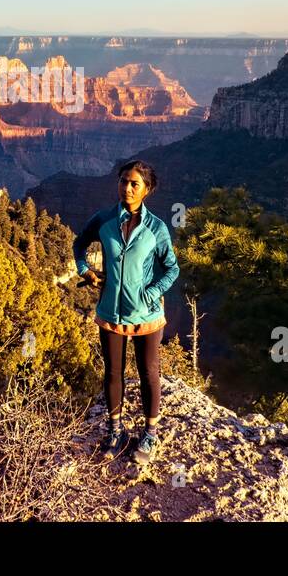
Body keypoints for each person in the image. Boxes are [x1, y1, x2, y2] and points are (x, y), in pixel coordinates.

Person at [71, 160, 179, 464]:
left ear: (146, 190)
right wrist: (85, 270)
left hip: (146, 315)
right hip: (110, 312)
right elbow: (79, 244)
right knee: (113, 373)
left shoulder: (156, 228)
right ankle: (115, 430)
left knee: (148, 373)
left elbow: (172, 269)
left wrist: (151, 292)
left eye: (134, 184)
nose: (127, 188)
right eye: (123, 181)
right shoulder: (104, 219)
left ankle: (150, 434)